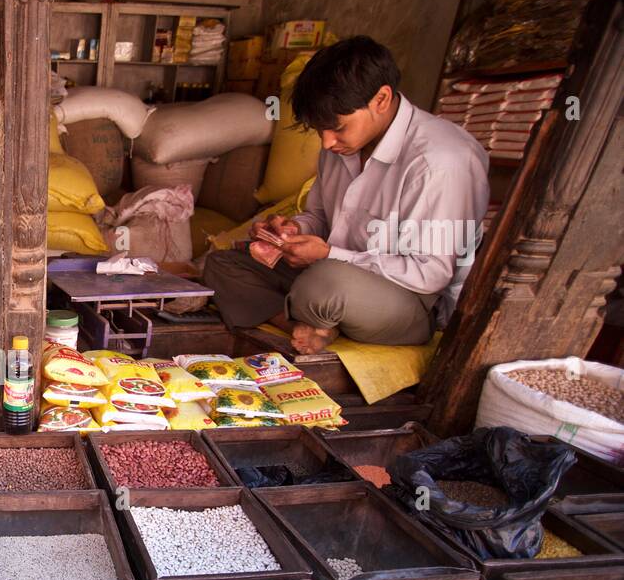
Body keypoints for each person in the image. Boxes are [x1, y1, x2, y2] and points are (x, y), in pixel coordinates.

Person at [203, 36, 489, 355]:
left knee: (319, 287)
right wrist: (293, 231)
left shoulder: (439, 162)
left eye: (337, 128)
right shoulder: (340, 147)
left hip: (411, 300)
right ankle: (304, 326)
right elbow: (322, 218)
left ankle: (317, 317)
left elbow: (429, 274)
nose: (326, 143)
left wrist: (329, 256)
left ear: (381, 99)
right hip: (336, 273)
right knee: (222, 265)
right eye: (320, 130)